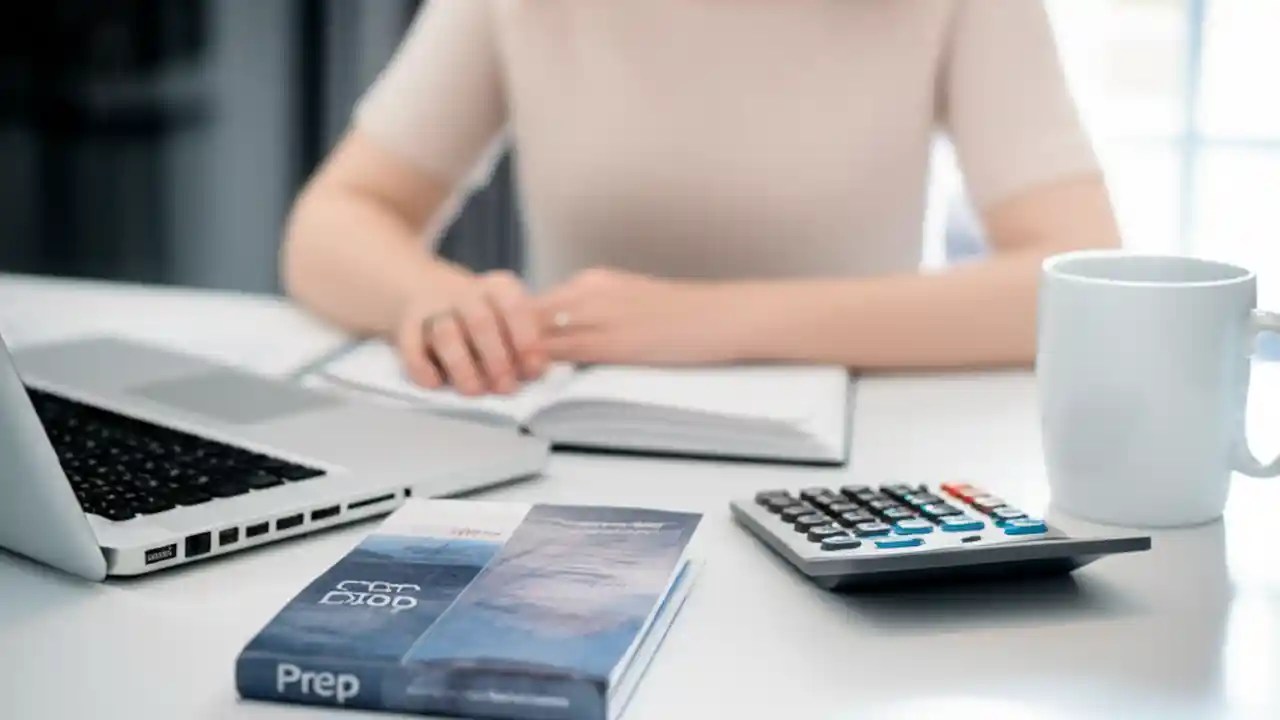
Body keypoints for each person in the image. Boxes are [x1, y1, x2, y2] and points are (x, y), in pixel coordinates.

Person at [282, 0, 1121, 397]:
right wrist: (431, 297)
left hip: (856, 473)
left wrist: (709, 322)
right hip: (568, 452)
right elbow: (333, 219)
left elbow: (1077, 281)